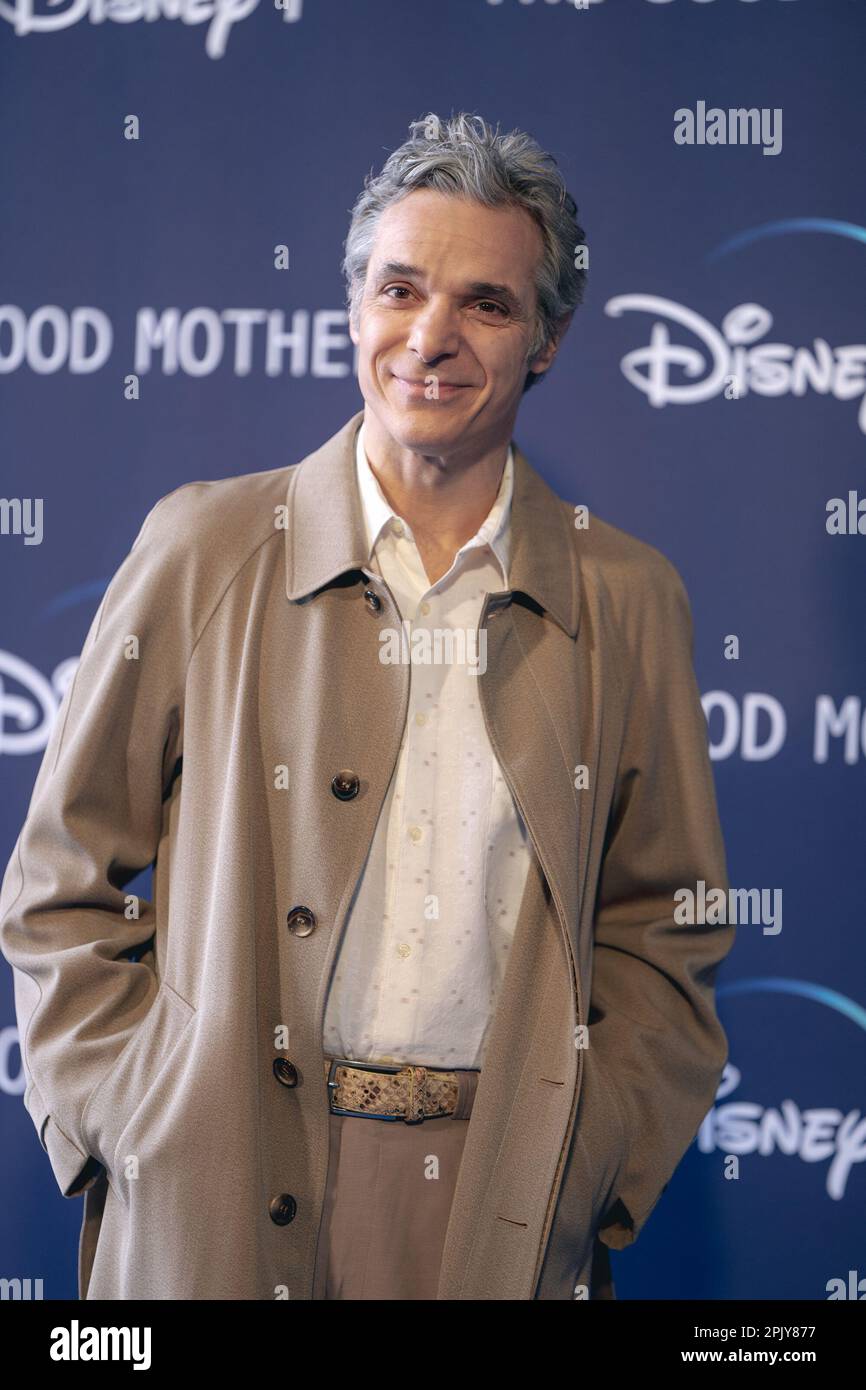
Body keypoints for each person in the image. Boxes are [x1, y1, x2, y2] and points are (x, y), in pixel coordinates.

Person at [0, 112, 735, 1301]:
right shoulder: (204, 547)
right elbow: (57, 882)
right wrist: (133, 1114)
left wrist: (591, 1153)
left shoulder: (627, 599)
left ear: (546, 337)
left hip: (500, 1206)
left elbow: (665, 922)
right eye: (400, 290)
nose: (430, 339)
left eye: (486, 305)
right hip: (214, 1189)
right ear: (353, 306)